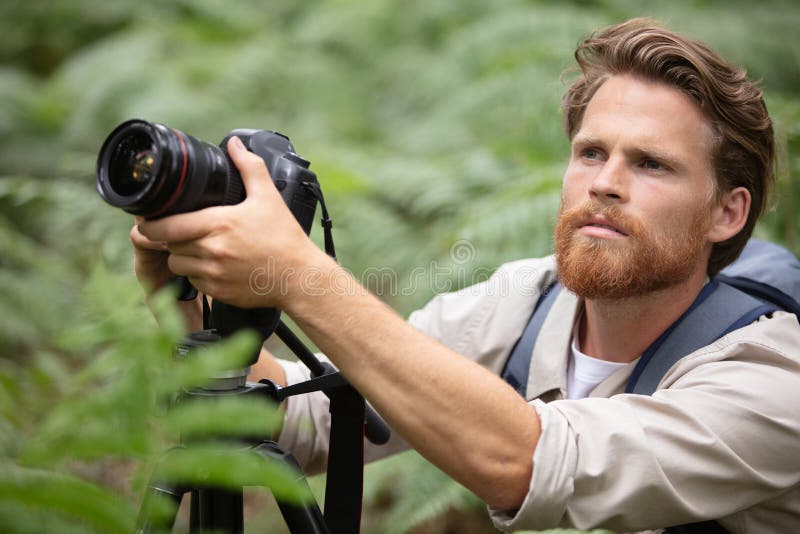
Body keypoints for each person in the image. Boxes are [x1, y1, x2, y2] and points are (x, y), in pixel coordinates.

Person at [130, 18, 800, 533]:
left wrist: (300, 276)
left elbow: (528, 464)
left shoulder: (772, 382)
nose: (605, 183)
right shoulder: (525, 301)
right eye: (591, 152)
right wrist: (184, 302)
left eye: (651, 164)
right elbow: (297, 419)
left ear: (727, 212)